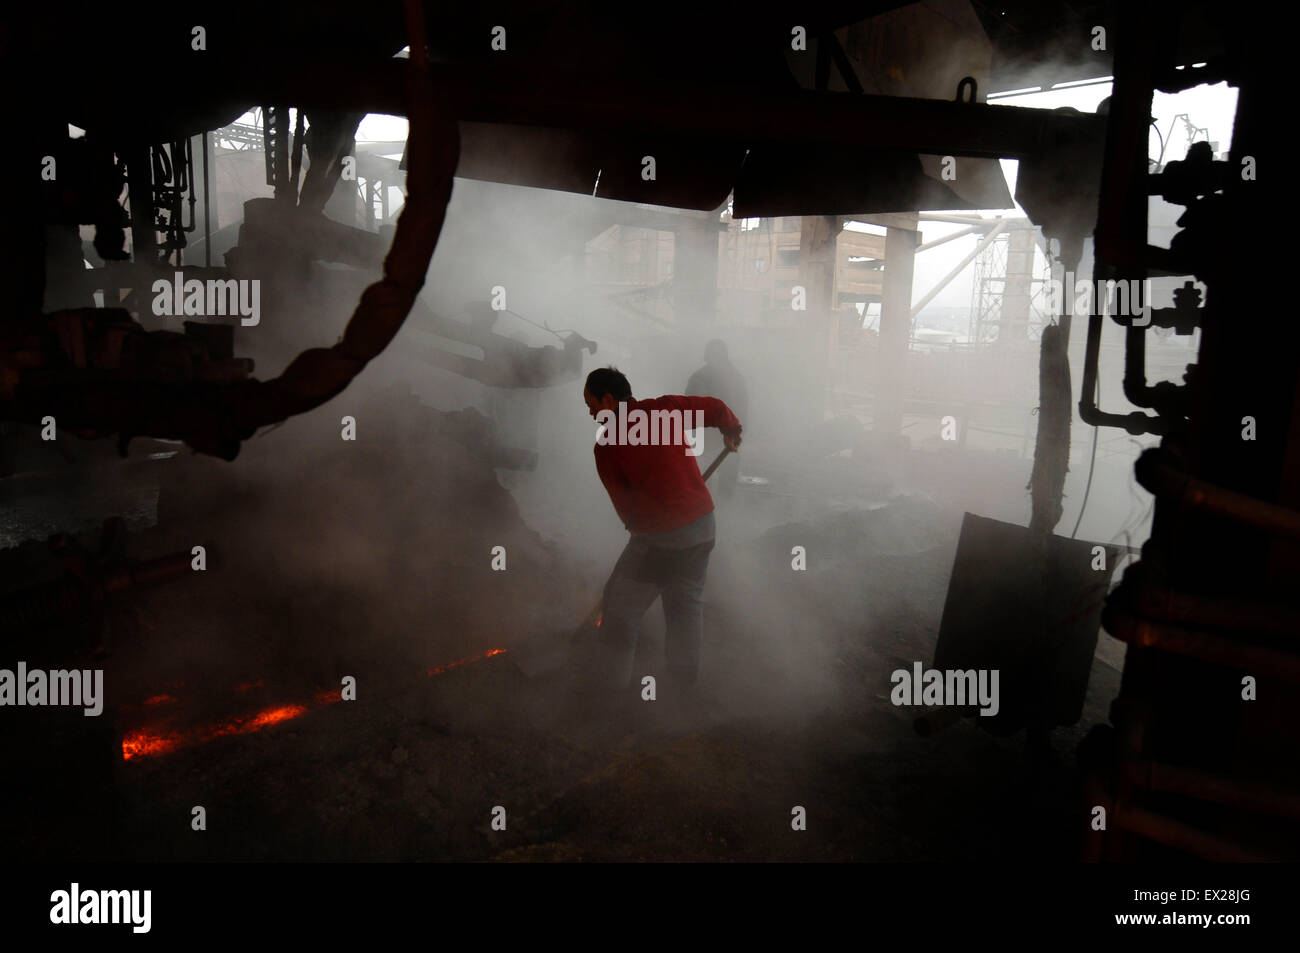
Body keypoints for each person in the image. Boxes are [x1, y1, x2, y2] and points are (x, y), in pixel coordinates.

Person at [583, 366, 742, 697]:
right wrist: (732, 430)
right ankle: (683, 686)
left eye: (592, 405)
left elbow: (625, 504)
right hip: (702, 527)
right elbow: (716, 408)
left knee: (620, 611)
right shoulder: (665, 408)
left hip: (660, 540)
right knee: (685, 606)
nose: (591, 413)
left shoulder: (607, 444)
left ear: (609, 400)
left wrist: (636, 526)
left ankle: (607, 692)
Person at [685, 339, 748, 500]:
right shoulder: (700, 378)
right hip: (707, 435)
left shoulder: (733, 379)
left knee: (719, 477)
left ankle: (718, 508)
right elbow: (689, 408)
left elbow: (741, 407)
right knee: (700, 477)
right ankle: (705, 507)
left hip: (721, 434)